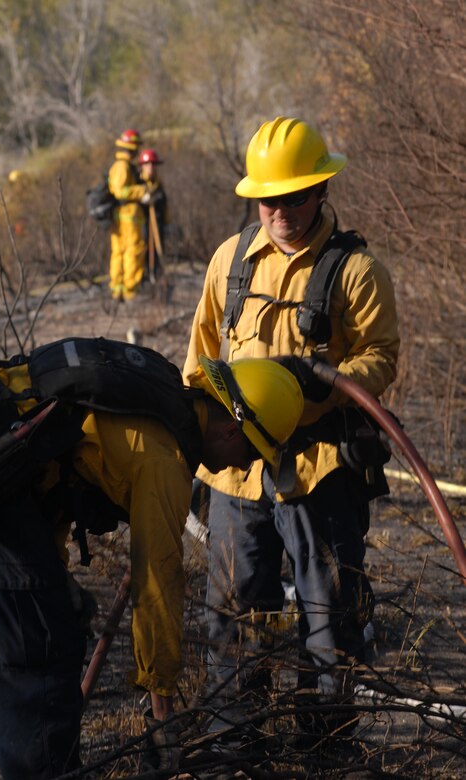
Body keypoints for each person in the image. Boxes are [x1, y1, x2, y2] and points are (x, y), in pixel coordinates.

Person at [0, 336, 304, 778]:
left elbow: (47, 460)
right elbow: (158, 587)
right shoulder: (165, 460)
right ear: (231, 430)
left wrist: (52, 570)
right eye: (251, 455)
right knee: (41, 646)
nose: (242, 469)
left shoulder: (156, 389)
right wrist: (161, 709)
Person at [183, 116, 400, 746]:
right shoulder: (230, 260)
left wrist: (321, 382)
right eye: (268, 197)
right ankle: (235, 743)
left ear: (321, 191)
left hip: (320, 471)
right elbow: (199, 356)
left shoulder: (355, 270)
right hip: (235, 474)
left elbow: (380, 358)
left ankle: (323, 746)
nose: (281, 210)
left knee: (331, 624)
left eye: (295, 196)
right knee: (231, 620)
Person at [108, 129, 159, 301]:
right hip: (128, 217)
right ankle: (129, 291)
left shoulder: (124, 166)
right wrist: (141, 191)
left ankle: (118, 290)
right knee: (132, 251)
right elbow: (119, 191)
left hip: (122, 217)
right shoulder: (122, 167)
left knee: (119, 253)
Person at [138, 148, 169, 281]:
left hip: (158, 221)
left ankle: (156, 274)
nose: (150, 167)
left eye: (152, 164)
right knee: (143, 248)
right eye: (147, 164)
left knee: (158, 247)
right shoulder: (139, 182)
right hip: (143, 222)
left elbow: (164, 202)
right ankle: (145, 274)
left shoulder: (158, 182)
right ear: (143, 166)